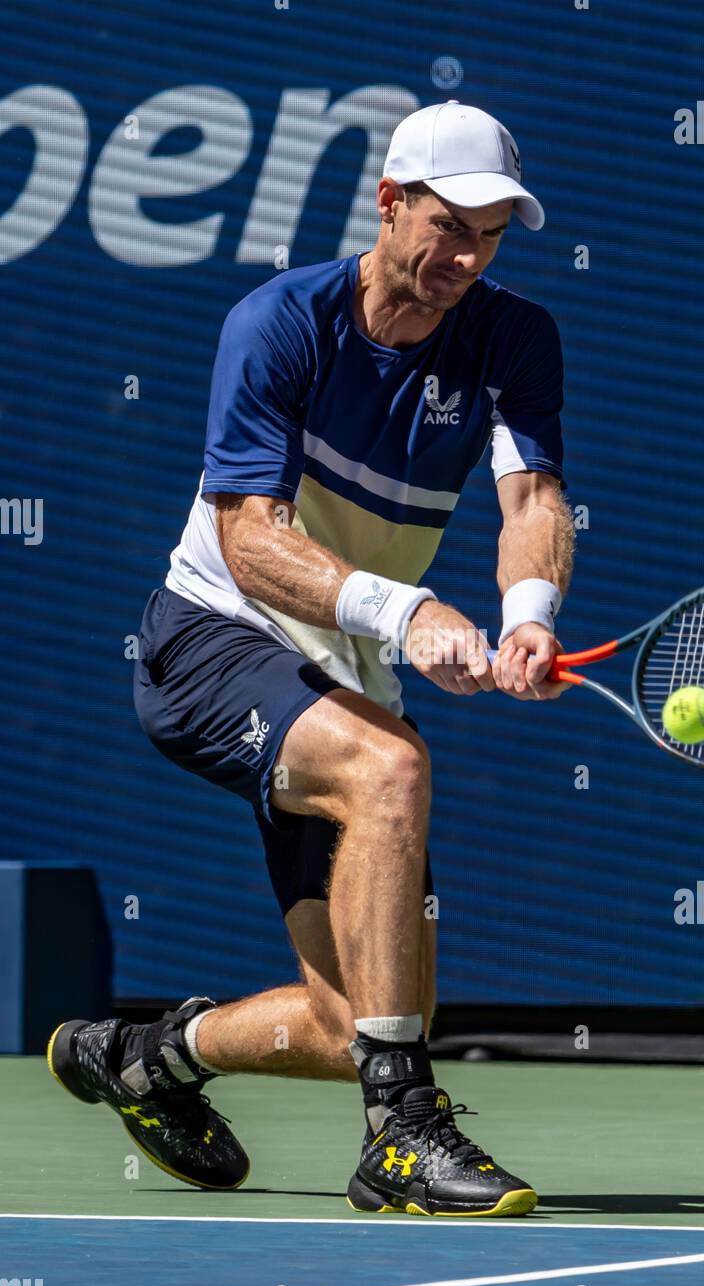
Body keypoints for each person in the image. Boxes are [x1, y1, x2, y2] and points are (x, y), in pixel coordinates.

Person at [47, 101, 574, 1218]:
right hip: (210, 639)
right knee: (391, 769)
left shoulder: (513, 337)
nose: (468, 258)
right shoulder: (279, 322)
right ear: (388, 204)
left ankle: (145, 1058)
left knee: (362, 1020)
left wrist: (526, 612)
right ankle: (400, 1138)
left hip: (343, 669)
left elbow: (531, 497)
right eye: (449, 226)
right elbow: (250, 540)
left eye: (490, 236)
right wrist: (409, 613)